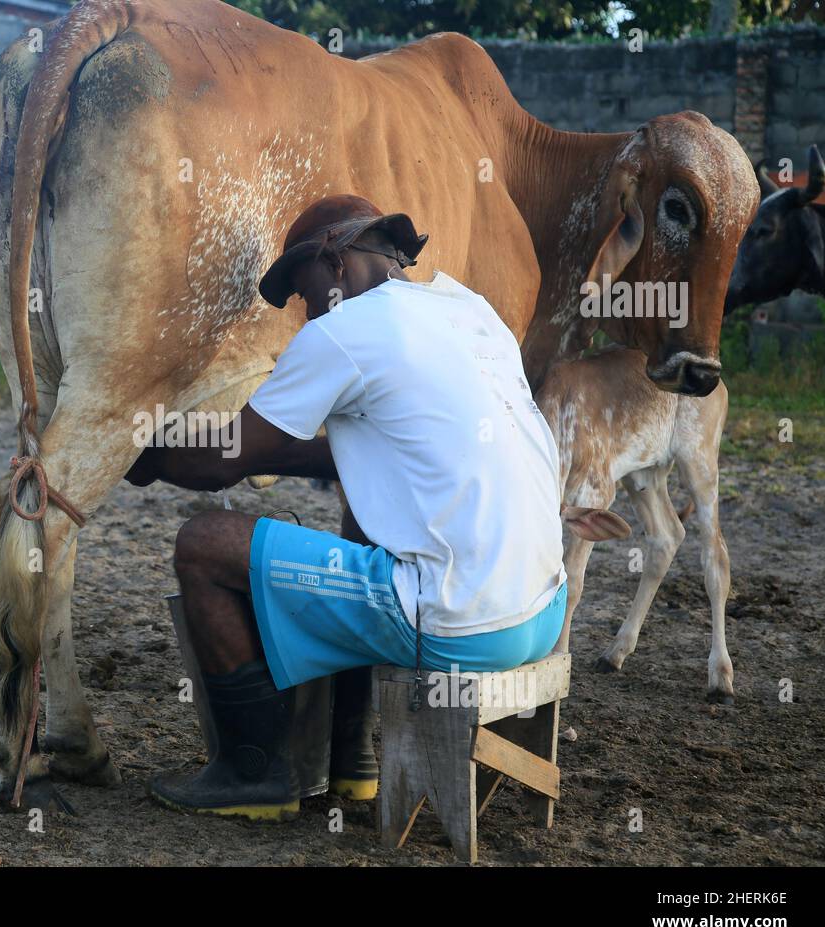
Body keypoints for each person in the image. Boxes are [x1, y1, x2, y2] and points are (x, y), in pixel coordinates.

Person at [125, 194, 626, 821]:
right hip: (541, 613)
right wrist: (264, 454)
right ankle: (353, 762)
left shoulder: (342, 332)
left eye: (304, 291)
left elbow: (221, 459)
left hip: (458, 627)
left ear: (335, 262)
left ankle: (251, 774)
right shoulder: (471, 311)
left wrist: (137, 450)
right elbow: (382, 453)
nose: (304, 313)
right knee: (363, 527)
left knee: (203, 544)